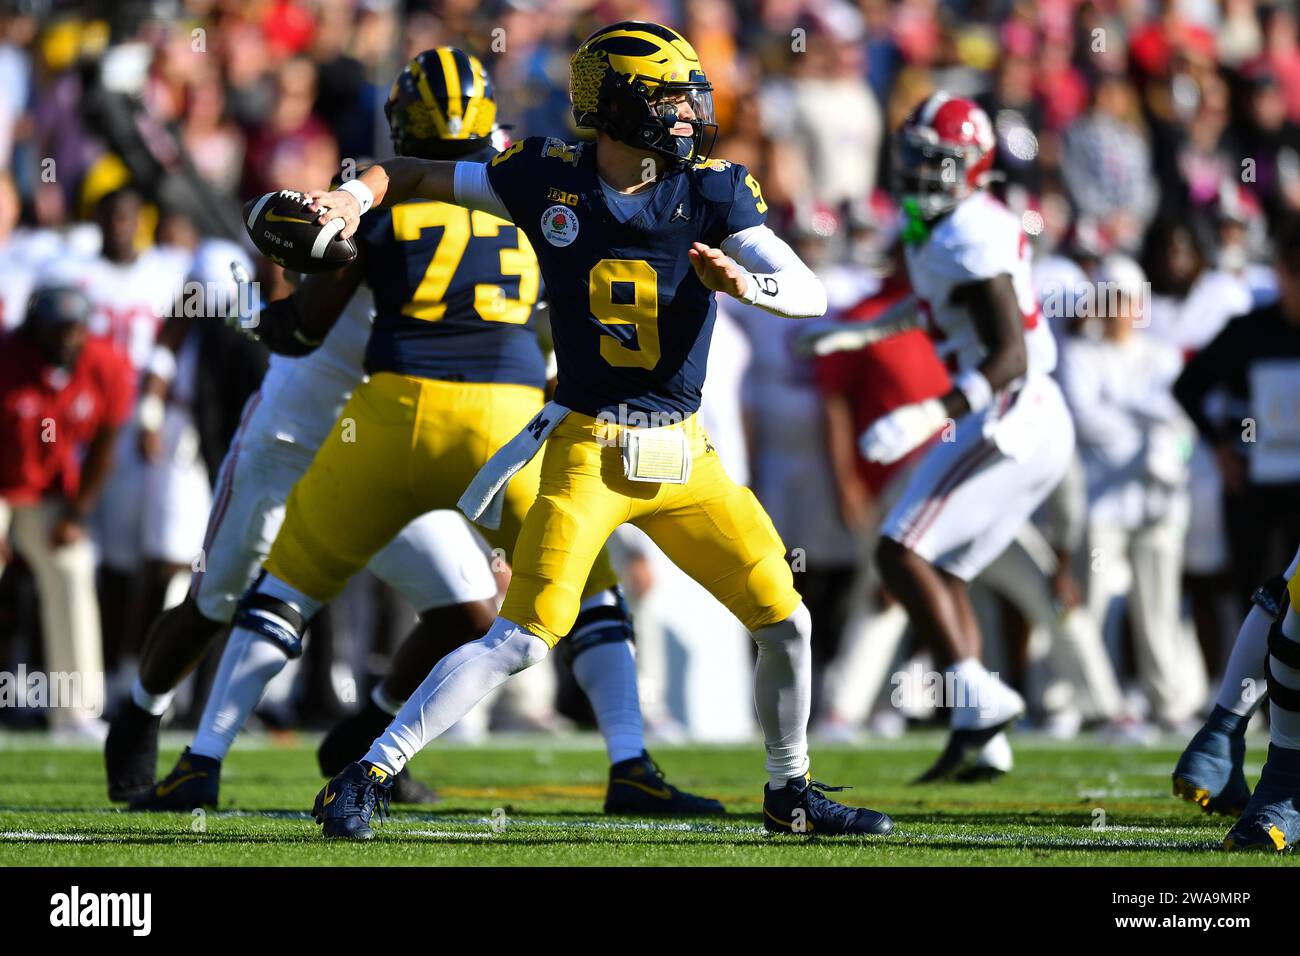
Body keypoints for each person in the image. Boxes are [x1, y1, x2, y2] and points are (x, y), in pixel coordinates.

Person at [307, 21, 893, 839]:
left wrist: (748, 284)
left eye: (690, 94)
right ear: (615, 105)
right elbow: (412, 171)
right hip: (591, 449)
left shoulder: (714, 191)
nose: (688, 112)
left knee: (786, 621)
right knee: (521, 638)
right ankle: (367, 772)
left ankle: (788, 791)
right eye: (666, 96)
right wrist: (352, 194)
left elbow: (808, 292)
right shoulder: (545, 178)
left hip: (685, 455)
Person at [125, 47, 720, 818]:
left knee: (285, 592)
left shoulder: (385, 191)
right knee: (584, 586)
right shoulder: (538, 182)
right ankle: (630, 762)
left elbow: (302, 328)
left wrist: (268, 284)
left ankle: (203, 763)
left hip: (385, 414)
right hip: (504, 420)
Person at [802, 93, 1076, 780]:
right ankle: (980, 735)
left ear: (972, 165)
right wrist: (863, 331)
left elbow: (1009, 354)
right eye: (915, 153)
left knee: (899, 550)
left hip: (1013, 411)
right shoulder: (942, 225)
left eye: (935, 158)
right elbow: (932, 303)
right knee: (936, 565)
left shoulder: (972, 232)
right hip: (1010, 411)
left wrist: (929, 414)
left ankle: (981, 697)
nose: (918, 168)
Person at [0, 271, 135, 735]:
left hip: (49, 496)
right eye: (59, 329)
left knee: (74, 567)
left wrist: (77, 513)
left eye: (76, 328)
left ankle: (74, 710)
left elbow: (106, 442)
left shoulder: (105, 362)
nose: (69, 338)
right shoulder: (6, 358)